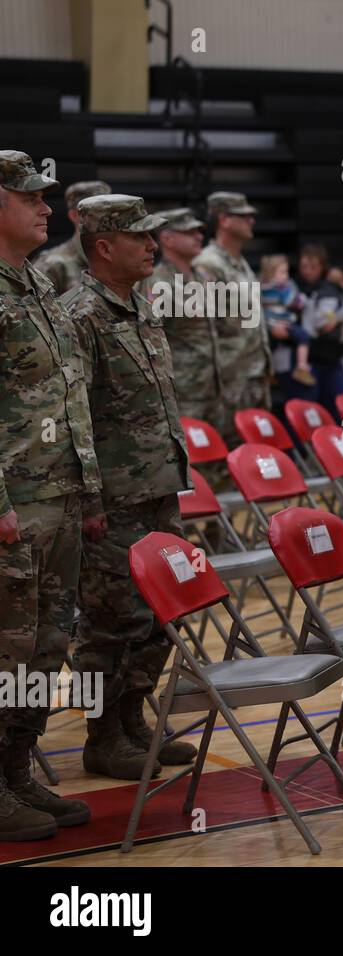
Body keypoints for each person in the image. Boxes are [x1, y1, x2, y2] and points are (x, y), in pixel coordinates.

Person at [60, 194, 196, 781]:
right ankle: (101, 734)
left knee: (163, 610)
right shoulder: (79, 315)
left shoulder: (139, 306)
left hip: (157, 488)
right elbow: (72, 416)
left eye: (152, 236)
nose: (152, 246)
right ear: (103, 247)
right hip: (112, 498)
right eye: (139, 237)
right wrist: (88, 497)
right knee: (108, 621)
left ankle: (132, 716)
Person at [0, 151, 98, 841]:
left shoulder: (34, 284)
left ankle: (13, 773)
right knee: (4, 652)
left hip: (59, 500)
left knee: (46, 649)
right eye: (29, 196)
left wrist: (87, 492)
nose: (44, 206)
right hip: (13, 509)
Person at [193, 191, 271, 442]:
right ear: (224, 219)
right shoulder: (209, 264)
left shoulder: (240, 263)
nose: (252, 221)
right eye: (244, 216)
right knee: (231, 452)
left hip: (253, 373)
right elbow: (203, 325)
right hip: (229, 378)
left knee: (257, 449)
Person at [145, 207, 223, 426]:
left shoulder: (203, 277)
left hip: (213, 387)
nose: (199, 236)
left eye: (199, 231)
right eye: (189, 232)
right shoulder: (159, 282)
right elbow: (151, 339)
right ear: (167, 238)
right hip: (183, 391)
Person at [296, 244, 343, 421]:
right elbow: (315, 323)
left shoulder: (334, 287)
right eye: (304, 266)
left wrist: (337, 318)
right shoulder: (295, 290)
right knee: (310, 414)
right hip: (310, 360)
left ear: (322, 267)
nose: (307, 271)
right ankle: (314, 447)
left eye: (313, 267)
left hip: (334, 359)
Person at [32, 180, 111, 295]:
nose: (106, 217)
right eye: (98, 211)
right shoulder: (52, 265)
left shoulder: (122, 259)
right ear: (75, 216)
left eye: (110, 211)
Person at [259, 254, 316, 393]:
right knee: (304, 337)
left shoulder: (261, 287)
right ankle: (302, 366)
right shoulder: (281, 288)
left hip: (270, 324)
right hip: (282, 323)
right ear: (272, 273)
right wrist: (302, 300)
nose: (286, 276)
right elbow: (293, 302)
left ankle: (270, 373)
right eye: (283, 272)